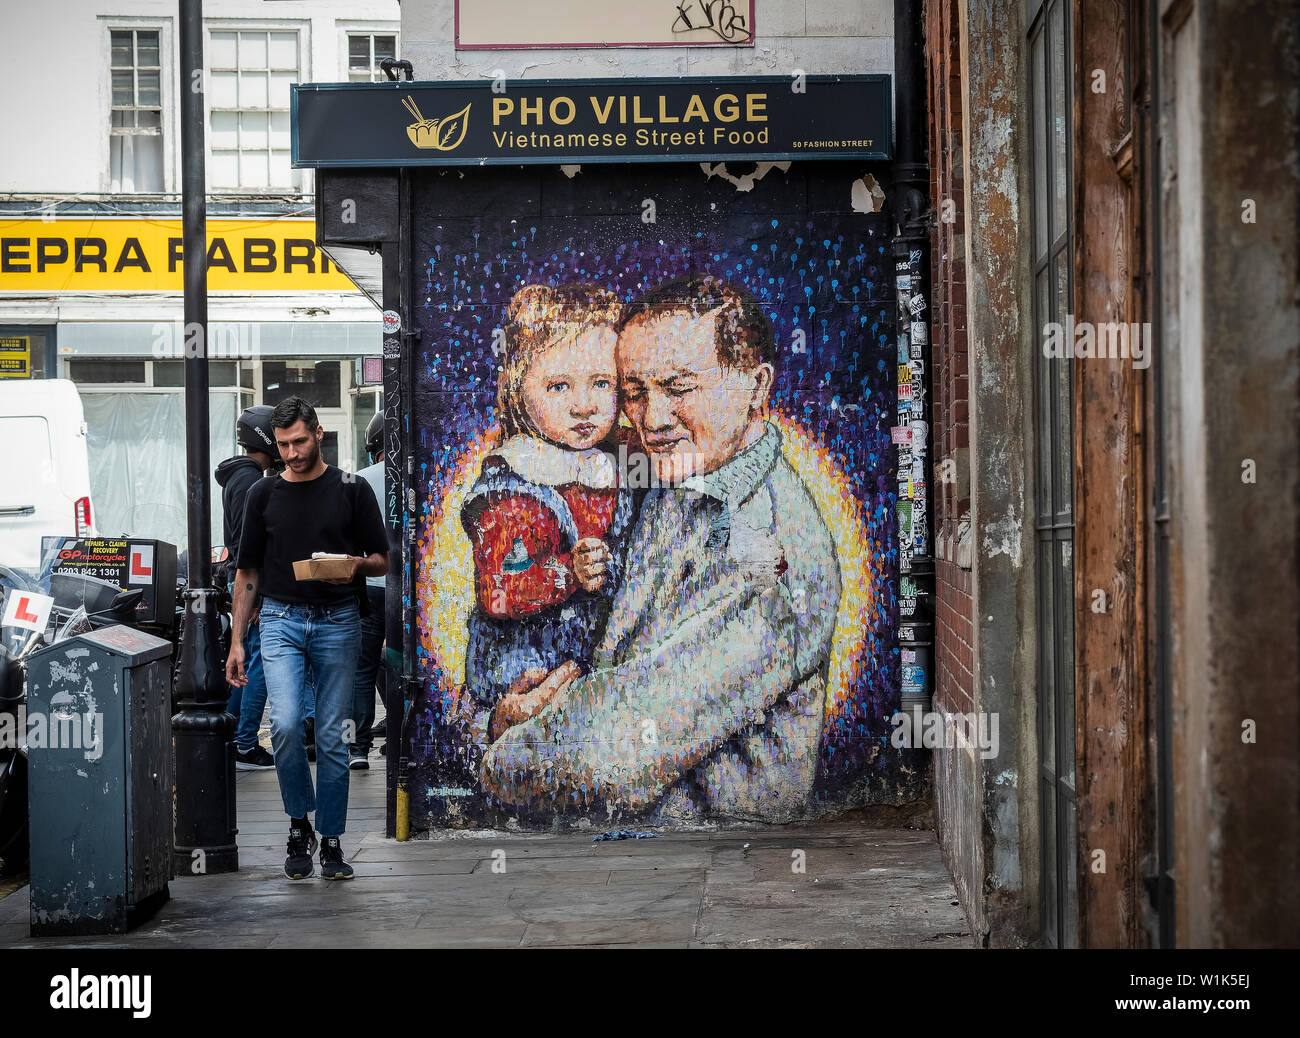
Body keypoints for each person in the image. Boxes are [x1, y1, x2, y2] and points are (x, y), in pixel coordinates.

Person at [478, 275, 842, 823]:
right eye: (634, 393)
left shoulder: (771, 547)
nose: (652, 419)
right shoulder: (678, 480)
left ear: (757, 385)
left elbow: (616, 749)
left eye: (678, 386)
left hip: (720, 861)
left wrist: (500, 745)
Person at [459, 283, 633, 743]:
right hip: (526, 669)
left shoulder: (615, 463)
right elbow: (497, 593)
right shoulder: (514, 484)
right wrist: (568, 572)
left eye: (602, 382)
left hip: (589, 666)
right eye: (559, 386)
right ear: (519, 388)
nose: (584, 405)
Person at [226, 396, 389, 881]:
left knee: (335, 734)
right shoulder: (263, 494)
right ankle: (300, 823)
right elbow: (247, 572)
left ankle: (333, 839)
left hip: (340, 618)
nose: (292, 453)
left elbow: (382, 559)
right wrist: (237, 642)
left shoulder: (352, 489)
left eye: (299, 441)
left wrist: (355, 566)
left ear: (319, 433)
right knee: (288, 724)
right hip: (279, 618)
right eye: (282, 445)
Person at [215, 406, 278, 771]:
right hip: (249, 582)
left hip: (245, 579)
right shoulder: (250, 481)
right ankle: (243, 742)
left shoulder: (241, 477)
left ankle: (233, 738)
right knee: (258, 667)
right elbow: (245, 543)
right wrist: (254, 594)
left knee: (247, 663)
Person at [348, 411, 389, 770]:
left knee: (363, 668)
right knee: (405, 663)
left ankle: (358, 747)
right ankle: (403, 737)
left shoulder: (358, 481)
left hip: (370, 587)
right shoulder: (416, 478)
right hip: (407, 590)